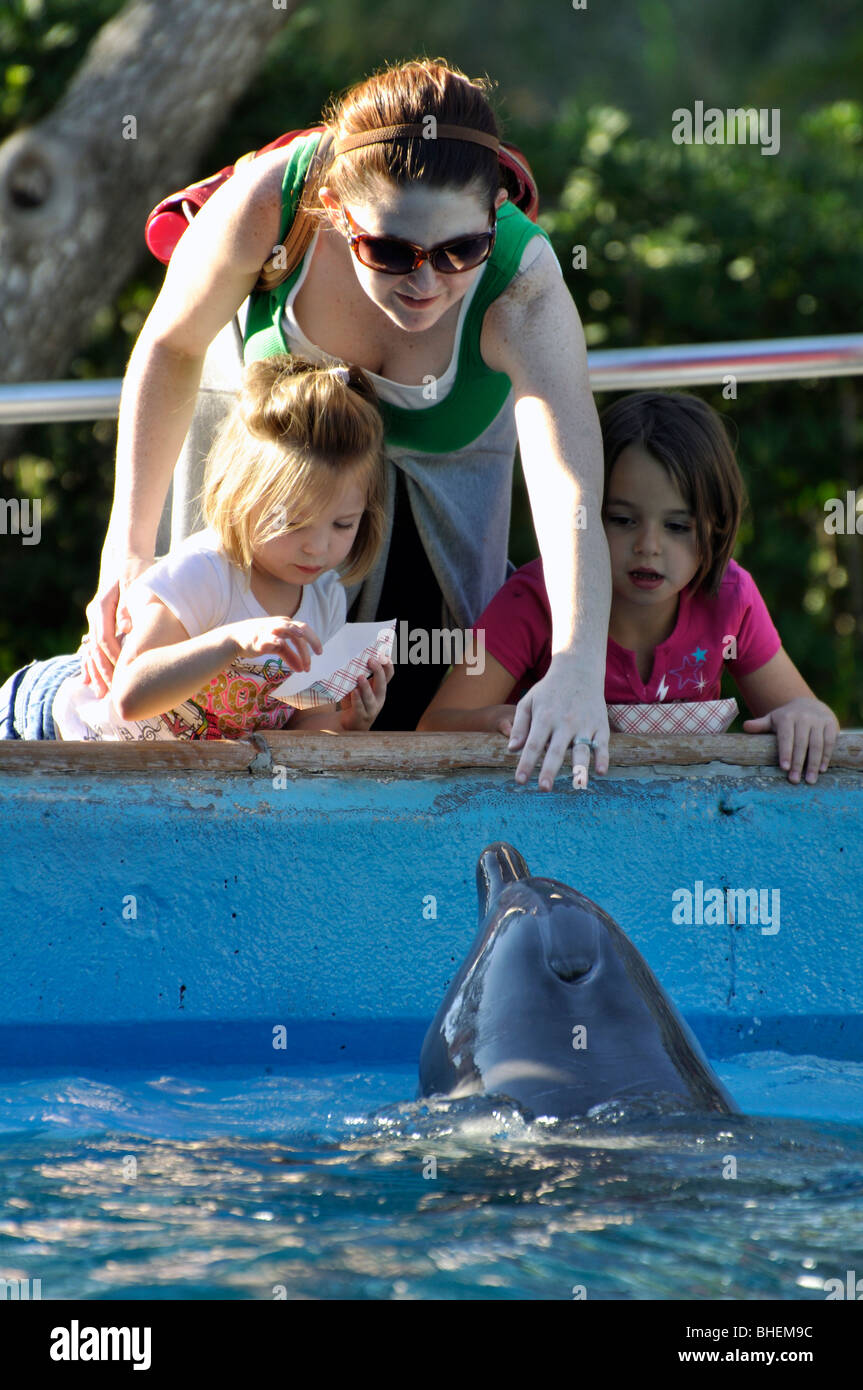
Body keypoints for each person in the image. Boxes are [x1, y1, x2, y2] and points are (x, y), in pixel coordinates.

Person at [79, 57, 611, 789]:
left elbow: (568, 484)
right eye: (390, 251)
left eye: (460, 251)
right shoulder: (271, 203)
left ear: (493, 219)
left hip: (448, 478)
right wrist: (127, 550)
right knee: (205, 710)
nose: (424, 284)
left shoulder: (524, 286)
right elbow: (171, 346)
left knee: (417, 695)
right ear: (333, 208)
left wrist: (577, 665)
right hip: (272, 480)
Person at [418, 391, 840, 786]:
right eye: (622, 519)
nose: (648, 546)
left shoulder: (732, 597)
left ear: (719, 529)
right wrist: (499, 720)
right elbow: (432, 727)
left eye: (677, 527)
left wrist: (806, 716)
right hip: (556, 814)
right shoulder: (532, 596)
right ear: (583, 515)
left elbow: (798, 710)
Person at [7, 356, 393, 742]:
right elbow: (130, 695)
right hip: (50, 729)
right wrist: (232, 642)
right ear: (240, 494)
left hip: (156, 780)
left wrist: (348, 725)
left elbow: (304, 722)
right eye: (291, 523)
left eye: (343, 524)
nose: (317, 547)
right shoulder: (206, 570)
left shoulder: (326, 601)